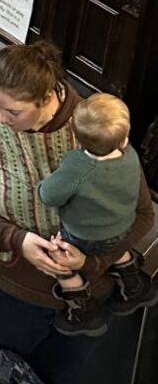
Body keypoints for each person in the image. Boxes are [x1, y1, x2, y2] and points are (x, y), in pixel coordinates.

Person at [0, 40, 155, 384]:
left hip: (87, 298)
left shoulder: (95, 125)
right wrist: (18, 241)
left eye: (12, 111)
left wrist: (91, 262)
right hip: (4, 292)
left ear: (47, 98)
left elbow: (143, 214)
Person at [37, 93, 158, 333]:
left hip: (83, 237)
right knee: (115, 245)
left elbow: (48, 196)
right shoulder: (130, 155)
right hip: (122, 228)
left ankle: (83, 312)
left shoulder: (77, 167)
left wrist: (41, 185)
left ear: (76, 135)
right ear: (124, 137)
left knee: (58, 259)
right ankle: (134, 286)